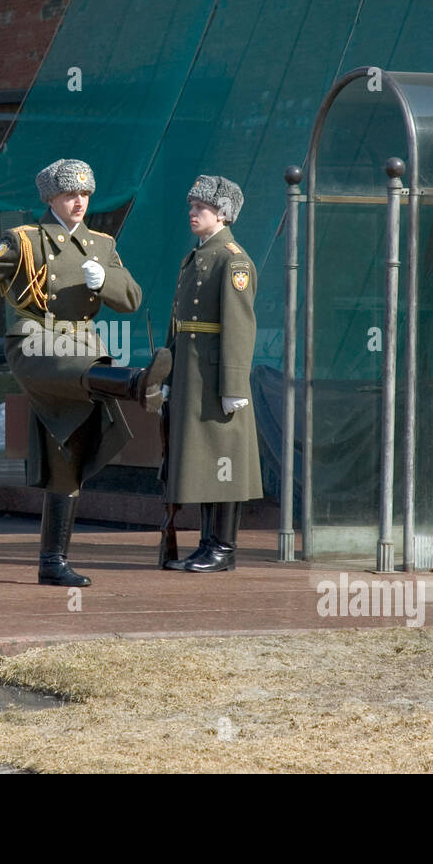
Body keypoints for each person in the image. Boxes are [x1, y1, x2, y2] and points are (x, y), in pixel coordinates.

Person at [0, 159, 171, 586]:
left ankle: (53, 562)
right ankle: (135, 383)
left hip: (84, 342)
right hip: (35, 339)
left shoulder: (101, 244)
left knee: (67, 453)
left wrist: (105, 284)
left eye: (84, 193)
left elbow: (132, 299)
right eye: (68, 194)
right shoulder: (25, 241)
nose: (78, 201)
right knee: (69, 365)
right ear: (51, 199)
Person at [160, 175, 262, 572]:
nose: (192, 212)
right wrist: (169, 376)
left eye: (200, 207)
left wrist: (234, 384)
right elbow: (179, 323)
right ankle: (207, 544)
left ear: (221, 213)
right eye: (191, 206)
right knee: (205, 462)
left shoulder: (232, 259)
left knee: (225, 461)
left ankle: (223, 548)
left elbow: (240, 325)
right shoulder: (199, 255)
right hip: (192, 376)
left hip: (217, 378)